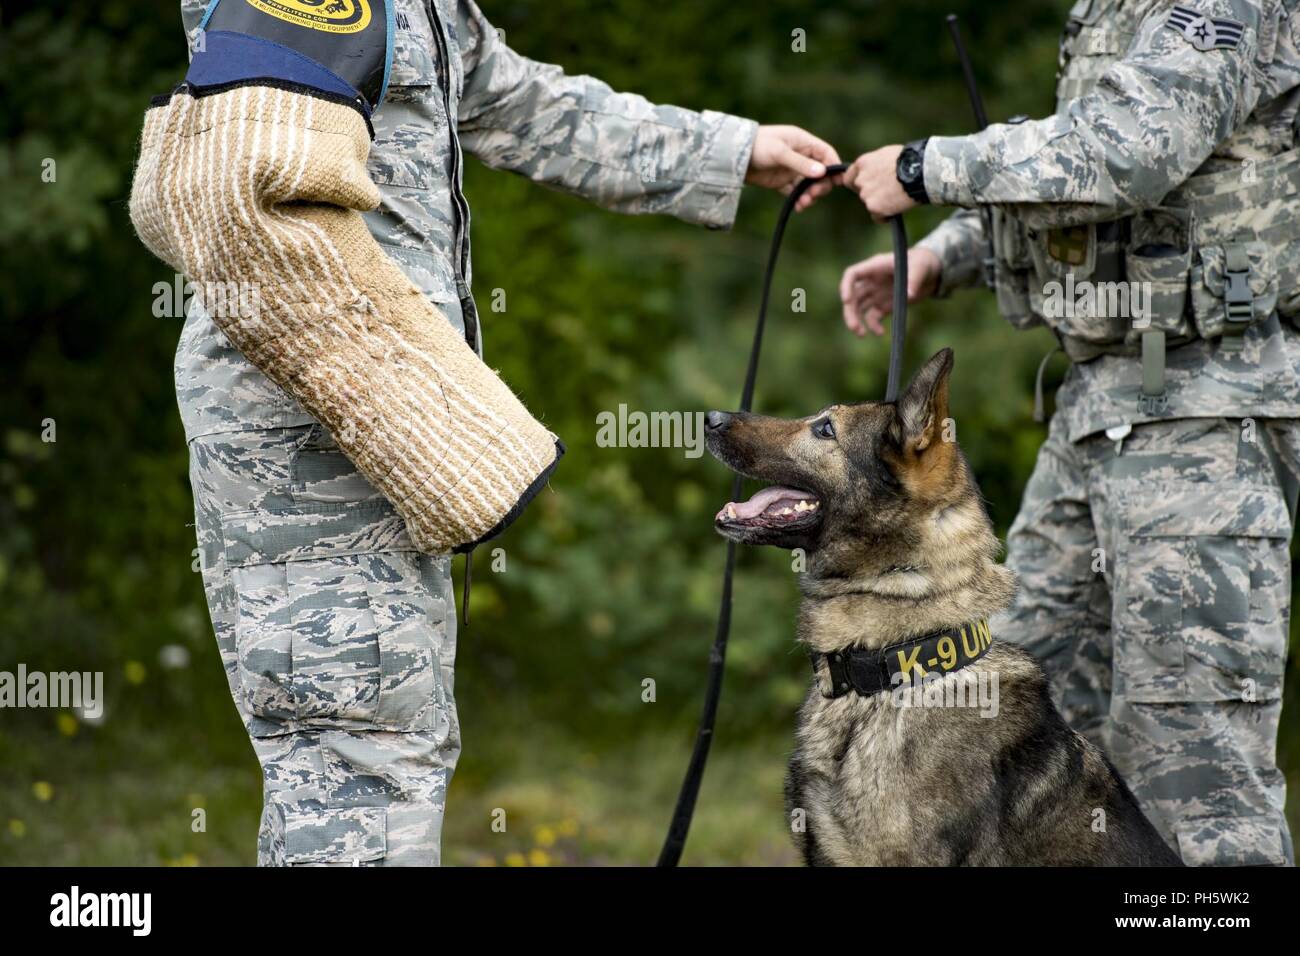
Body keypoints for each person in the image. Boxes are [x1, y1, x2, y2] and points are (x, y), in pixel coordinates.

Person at [174, 0, 839, 866]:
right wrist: (372, 388)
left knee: (372, 758)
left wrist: (731, 150)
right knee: (357, 767)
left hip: (387, 425)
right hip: (323, 424)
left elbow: (522, 104)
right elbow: (227, 188)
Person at [830, 0, 1299, 865]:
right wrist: (944, 254)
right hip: (1093, 414)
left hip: (1199, 416)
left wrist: (924, 166)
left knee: (1190, 767)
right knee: (1013, 728)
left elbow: (1132, 149)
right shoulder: (1106, 10)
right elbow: (1074, 171)